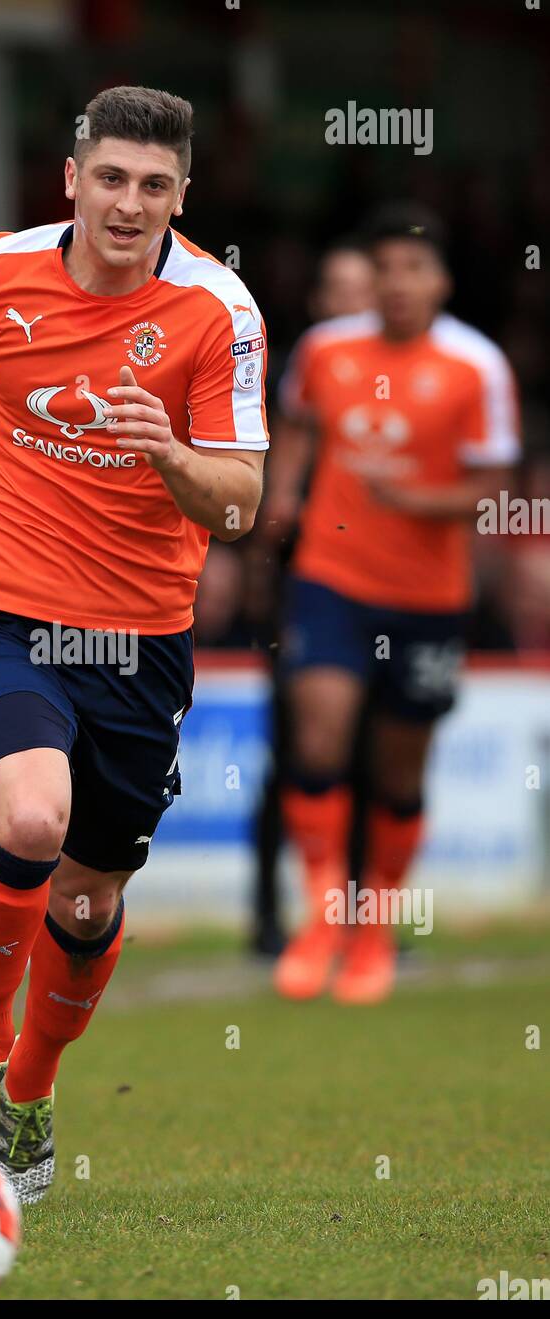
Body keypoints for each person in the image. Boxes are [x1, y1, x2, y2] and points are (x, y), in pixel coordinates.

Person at [0, 86, 268, 1203]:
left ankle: (32, 1089)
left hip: (138, 641)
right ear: (72, 178)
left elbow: (241, 506)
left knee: (87, 903)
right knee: (30, 816)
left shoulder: (218, 314)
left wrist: (173, 458)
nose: (128, 204)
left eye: (154, 186)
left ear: (182, 197)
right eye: (111, 178)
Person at [263, 204, 520, 1005]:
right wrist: (282, 493)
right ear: (368, 279)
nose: (398, 285)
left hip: (427, 596)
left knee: (399, 767)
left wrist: (418, 495)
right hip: (332, 574)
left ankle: (374, 931)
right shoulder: (326, 349)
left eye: (414, 270)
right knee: (319, 726)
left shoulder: (476, 367)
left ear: (440, 280)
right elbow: (297, 422)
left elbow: (495, 485)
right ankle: (322, 920)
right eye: (385, 270)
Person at [250, 243, 377, 956]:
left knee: (367, 755)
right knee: (296, 750)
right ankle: (271, 914)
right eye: (338, 289)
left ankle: (357, 919)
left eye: (363, 289)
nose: (350, 303)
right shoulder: (307, 378)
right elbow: (277, 496)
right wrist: (269, 571)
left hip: (381, 594)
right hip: (308, 591)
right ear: (318, 302)